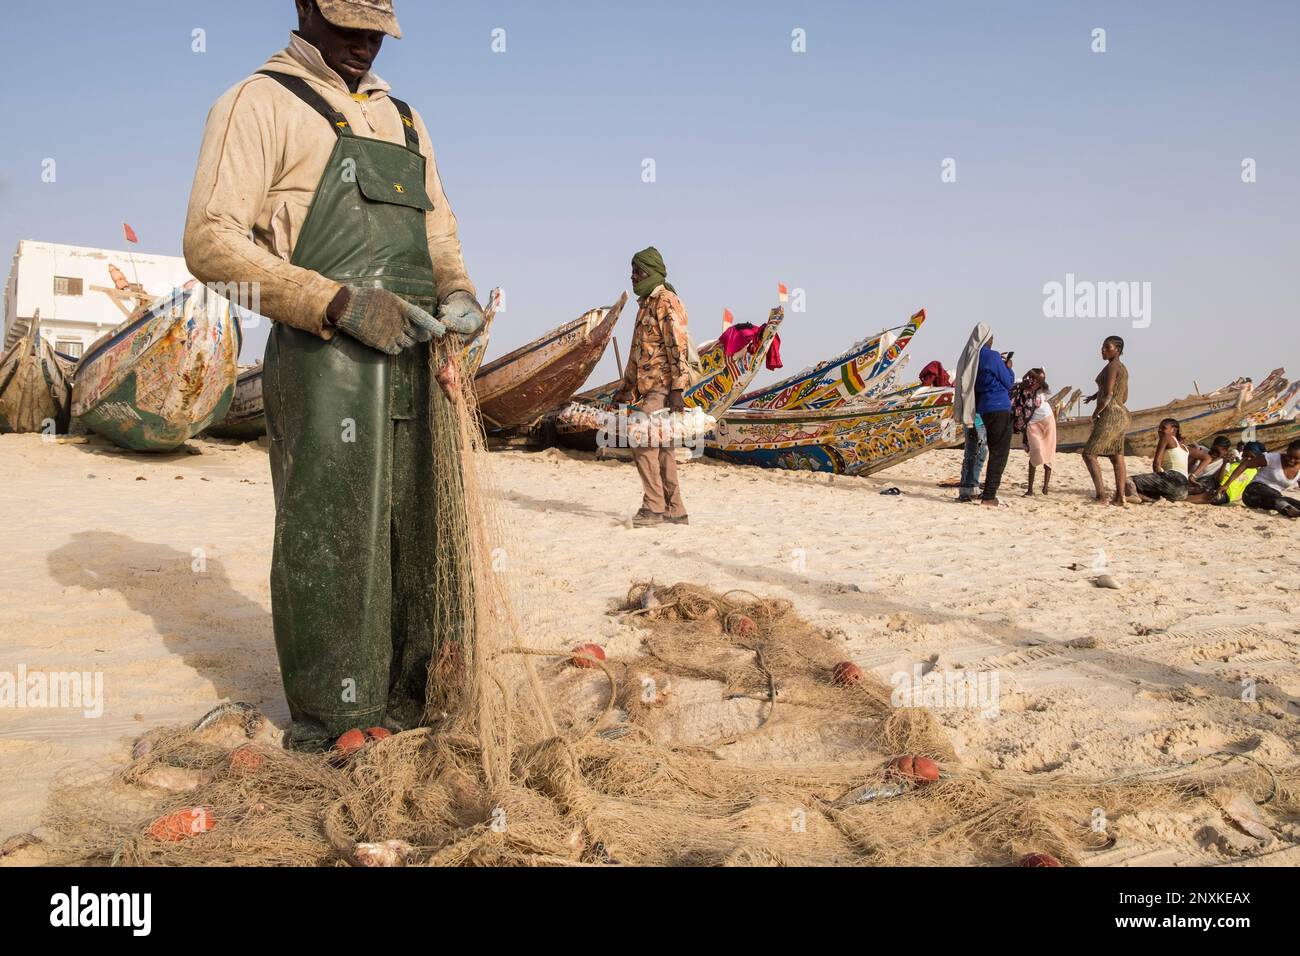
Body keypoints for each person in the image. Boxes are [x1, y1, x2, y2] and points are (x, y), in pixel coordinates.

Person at [183, 0, 488, 750]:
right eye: (349, 25)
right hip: (326, 361)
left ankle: (421, 703)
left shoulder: (406, 120)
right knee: (335, 532)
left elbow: (438, 232)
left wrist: (457, 291)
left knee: (426, 533)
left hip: (418, 357)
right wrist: (335, 301)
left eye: (376, 32)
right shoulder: (258, 102)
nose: (363, 45)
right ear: (304, 8)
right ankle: (340, 719)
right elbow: (210, 246)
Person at [612, 247, 692, 527]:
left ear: (653, 272)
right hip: (647, 388)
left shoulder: (666, 301)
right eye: (632, 271)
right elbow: (637, 352)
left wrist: (678, 390)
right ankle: (675, 509)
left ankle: (654, 506)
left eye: (638, 271)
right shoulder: (645, 304)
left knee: (641, 437)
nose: (633, 276)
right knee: (663, 446)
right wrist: (625, 388)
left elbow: (677, 347)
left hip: (663, 386)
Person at [1081, 335, 1131, 506]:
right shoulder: (1122, 368)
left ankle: (1102, 496)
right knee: (1117, 455)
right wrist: (1096, 395)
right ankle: (1120, 496)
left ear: (1117, 349)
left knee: (1089, 454)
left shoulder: (1112, 367)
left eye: (1107, 347)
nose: (1102, 350)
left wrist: (1096, 412)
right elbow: (1123, 395)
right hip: (1122, 414)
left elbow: (1109, 394)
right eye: (1102, 347)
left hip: (1111, 414)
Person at [1220, 439, 1300, 518]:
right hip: (1253, 492)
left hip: (1273, 499)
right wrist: (1227, 484)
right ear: (1287, 451)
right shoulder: (1273, 458)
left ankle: (1287, 509)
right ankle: (1287, 509)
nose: (1291, 460)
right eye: (1289, 456)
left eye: (1296, 459)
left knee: (1284, 500)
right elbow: (1245, 464)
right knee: (1277, 498)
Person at [1013, 368, 1056, 496]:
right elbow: (1014, 388)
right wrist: (1027, 378)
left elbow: (1041, 381)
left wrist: (1033, 373)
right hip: (1032, 423)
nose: (1039, 380)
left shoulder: (1043, 389)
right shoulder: (1024, 387)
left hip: (1047, 420)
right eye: (1036, 378)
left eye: (1041, 378)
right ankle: (1030, 489)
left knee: (1049, 453)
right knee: (1035, 452)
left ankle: (1045, 487)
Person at [1125, 418, 1190, 502]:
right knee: (1148, 488)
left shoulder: (1166, 437)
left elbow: (1156, 464)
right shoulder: (1184, 447)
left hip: (1173, 479)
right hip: (1184, 490)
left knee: (1127, 480)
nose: (1160, 430)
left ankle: (1134, 496)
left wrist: (1158, 476)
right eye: (1159, 428)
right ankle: (1150, 498)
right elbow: (1207, 457)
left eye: (1163, 428)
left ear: (1174, 429)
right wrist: (1193, 475)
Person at [1186, 439, 1259, 505]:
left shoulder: (1224, 463)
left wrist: (1224, 463)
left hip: (1209, 486)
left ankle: (1184, 498)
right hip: (1191, 479)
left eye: (1218, 452)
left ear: (1225, 452)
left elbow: (1219, 480)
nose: (1214, 453)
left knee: (1209, 491)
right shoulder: (1203, 451)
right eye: (1213, 449)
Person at [957, 412, 988, 502]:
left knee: (977, 456)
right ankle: (967, 489)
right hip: (975, 422)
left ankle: (971, 488)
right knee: (974, 456)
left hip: (978, 421)